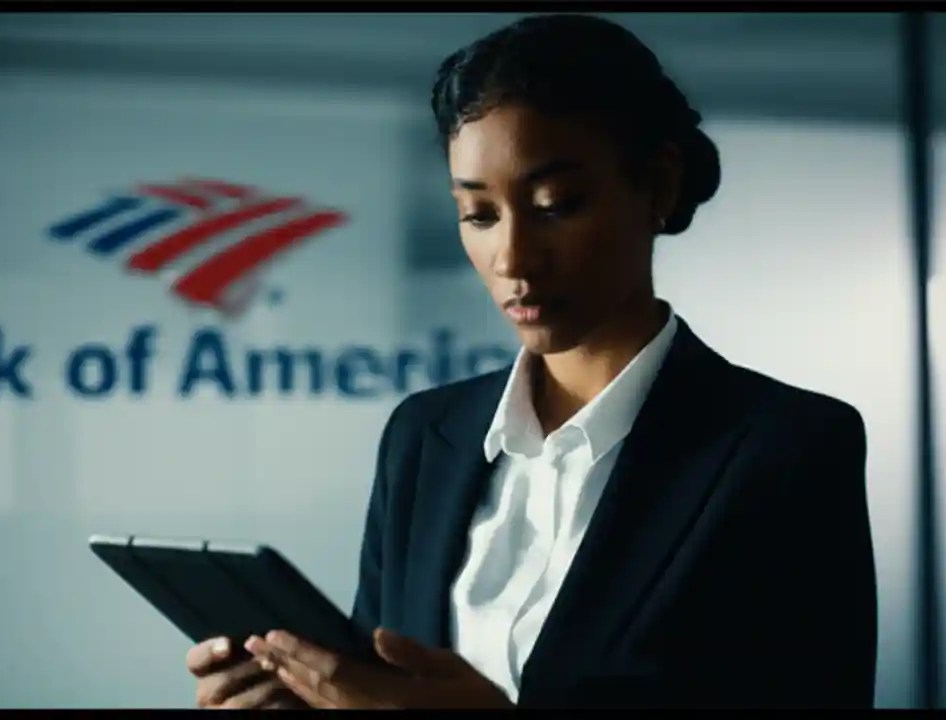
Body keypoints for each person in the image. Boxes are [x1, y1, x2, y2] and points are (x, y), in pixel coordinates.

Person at [185, 13, 878, 709]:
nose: (512, 259)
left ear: (659, 186)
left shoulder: (786, 448)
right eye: (479, 215)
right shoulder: (423, 436)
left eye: (556, 206)